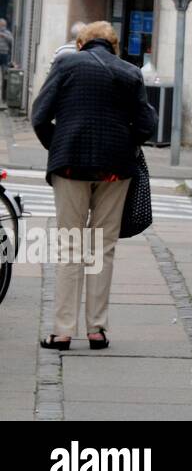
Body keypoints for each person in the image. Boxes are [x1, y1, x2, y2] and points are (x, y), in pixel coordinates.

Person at [31, 21, 158, 351]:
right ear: (113, 45)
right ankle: (96, 331)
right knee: (102, 248)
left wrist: (58, 146)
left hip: (70, 165)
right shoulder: (130, 72)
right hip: (115, 168)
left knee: (70, 246)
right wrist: (123, 141)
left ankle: (61, 331)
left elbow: (40, 116)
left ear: (81, 43)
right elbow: (147, 124)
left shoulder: (66, 65)